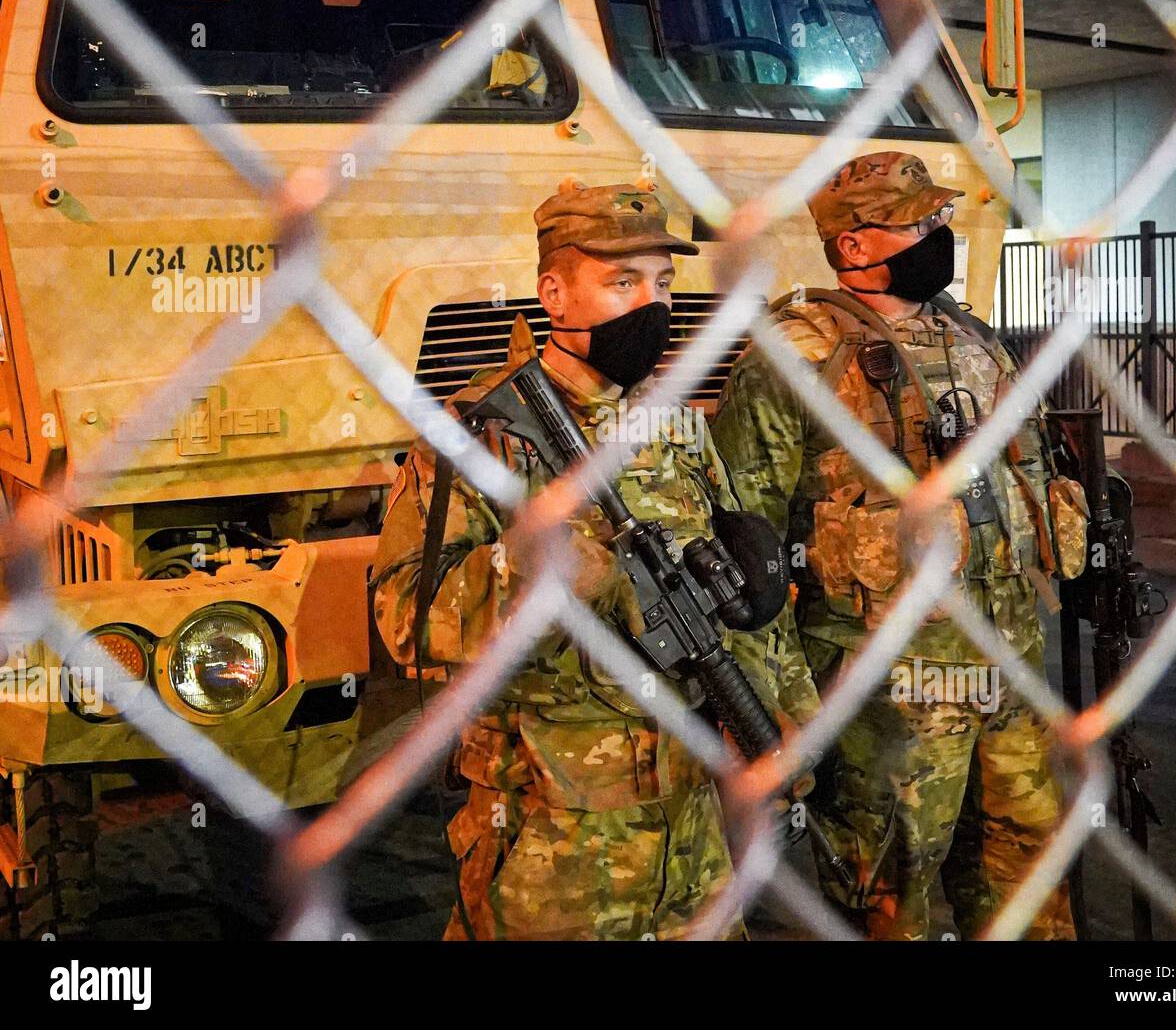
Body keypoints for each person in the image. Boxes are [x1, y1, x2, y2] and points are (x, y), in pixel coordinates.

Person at [371, 178, 818, 940]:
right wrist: (532, 568)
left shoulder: (673, 421)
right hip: (557, 835)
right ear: (555, 294)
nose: (653, 304)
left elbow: (727, 587)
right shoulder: (481, 430)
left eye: (664, 283)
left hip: (694, 822)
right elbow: (406, 619)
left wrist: (785, 715)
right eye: (622, 281)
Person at [711, 152, 1085, 940]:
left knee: (1032, 888)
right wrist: (778, 706)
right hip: (886, 697)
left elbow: (1032, 477)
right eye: (918, 225)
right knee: (890, 906)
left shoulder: (975, 339)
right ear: (852, 246)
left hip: (1008, 669)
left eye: (938, 221)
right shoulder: (792, 355)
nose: (938, 237)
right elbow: (745, 552)